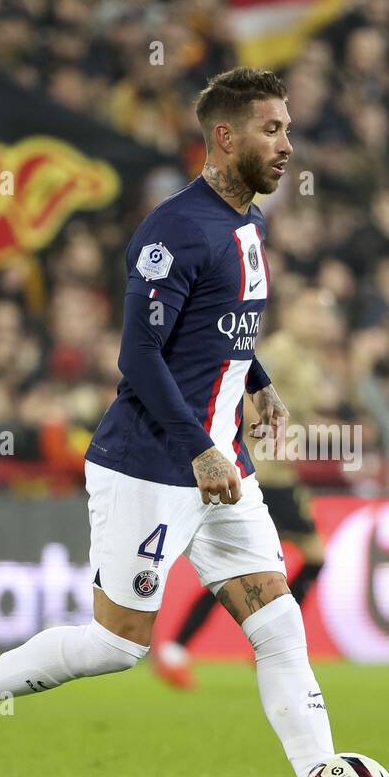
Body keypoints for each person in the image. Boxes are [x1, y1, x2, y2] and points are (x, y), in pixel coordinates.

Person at [0, 68, 389, 777]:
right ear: (225, 138)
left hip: (222, 466)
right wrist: (199, 446)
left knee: (278, 619)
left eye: (289, 128)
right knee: (119, 644)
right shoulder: (174, 229)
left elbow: (221, 329)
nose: (288, 145)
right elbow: (140, 355)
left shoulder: (250, 225)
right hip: (153, 465)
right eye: (273, 130)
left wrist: (257, 380)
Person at [150, 288, 338, 690]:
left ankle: (179, 650)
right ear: (291, 315)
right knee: (304, 558)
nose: (321, 322)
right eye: (312, 312)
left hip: (278, 472)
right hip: (263, 474)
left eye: (325, 315)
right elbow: (243, 393)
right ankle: (265, 651)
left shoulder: (307, 358)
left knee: (242, 571)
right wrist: (269, 431)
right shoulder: (280, 351)